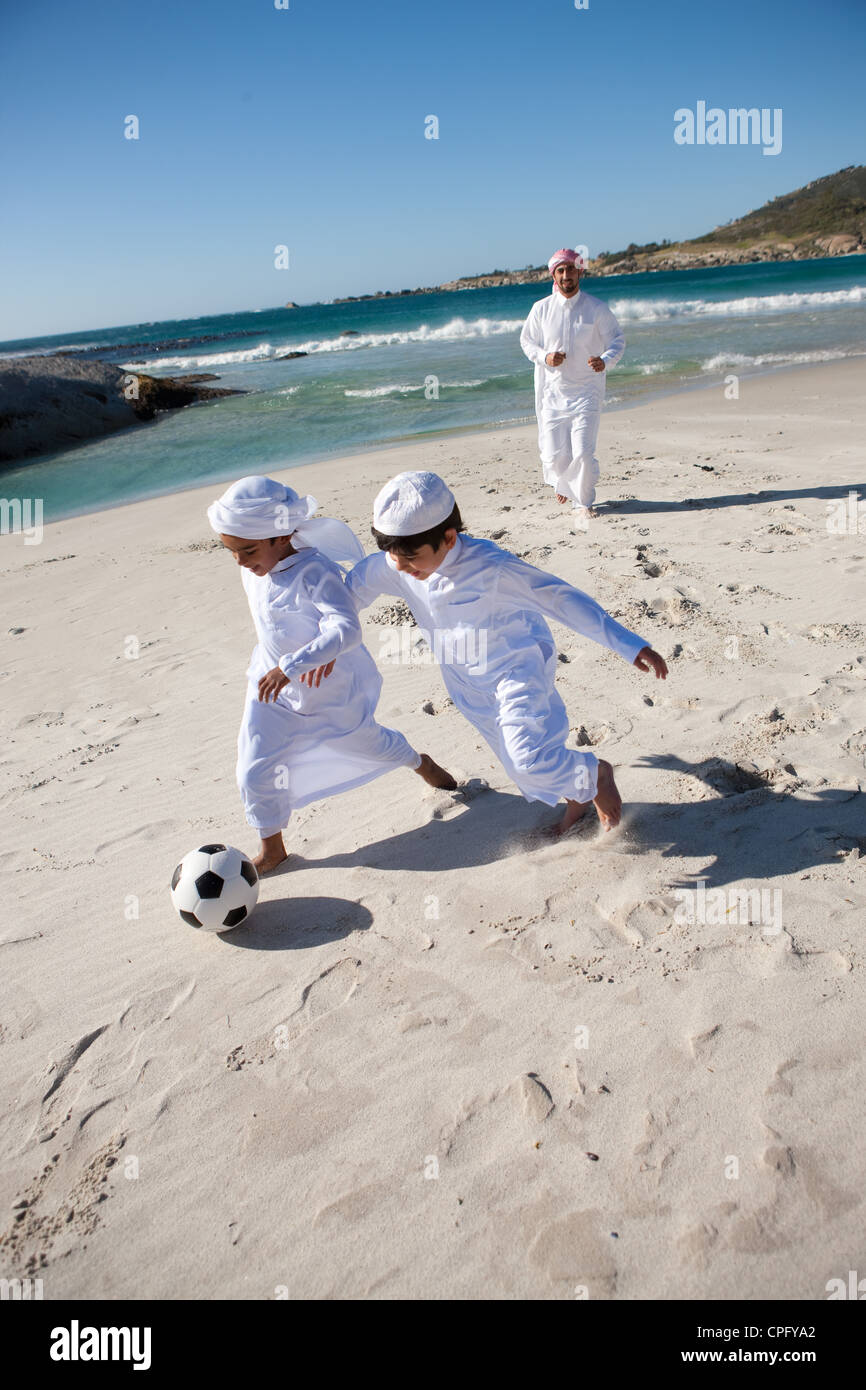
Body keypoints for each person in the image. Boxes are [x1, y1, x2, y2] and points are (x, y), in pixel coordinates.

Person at [345, 471, 667, 834]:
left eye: (409, 557)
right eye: (391, 556)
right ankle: (575, 795)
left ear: (449, 538)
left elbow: (560, 599)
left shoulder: (490, 567)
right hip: (463, 677)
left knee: (526, 758)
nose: (400, 567)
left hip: (517, 667)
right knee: (517, 762)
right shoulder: (398, 563)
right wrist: (323, 638)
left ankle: (596, 775)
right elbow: (354, 587)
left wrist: (627, 643)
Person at [207, 475, 455, 873]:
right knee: (253, 767)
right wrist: (286, 664)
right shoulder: (255, 567)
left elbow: (346, 628)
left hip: (327, 693)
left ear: (281, 536)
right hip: (270, 687)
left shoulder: (314, 573)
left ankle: (417, 761)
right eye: (230, 551)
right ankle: (273, 847)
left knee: (369, 744)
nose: (239, 560)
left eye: (247, 550)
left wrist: (299, 661)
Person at [519, 248, 625, 519]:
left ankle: (583, 501)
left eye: (571, 269)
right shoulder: (540, 309)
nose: (567, 275)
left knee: (582, 451)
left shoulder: (596, 308)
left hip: (586, 392)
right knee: (554, 455)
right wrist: (545, 357)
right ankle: (566, 481)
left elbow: (617, 340)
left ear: (581, 272)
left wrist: (605, 359)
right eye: (561, 270)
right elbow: (526, 341)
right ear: (554, 274)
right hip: (553, 394)